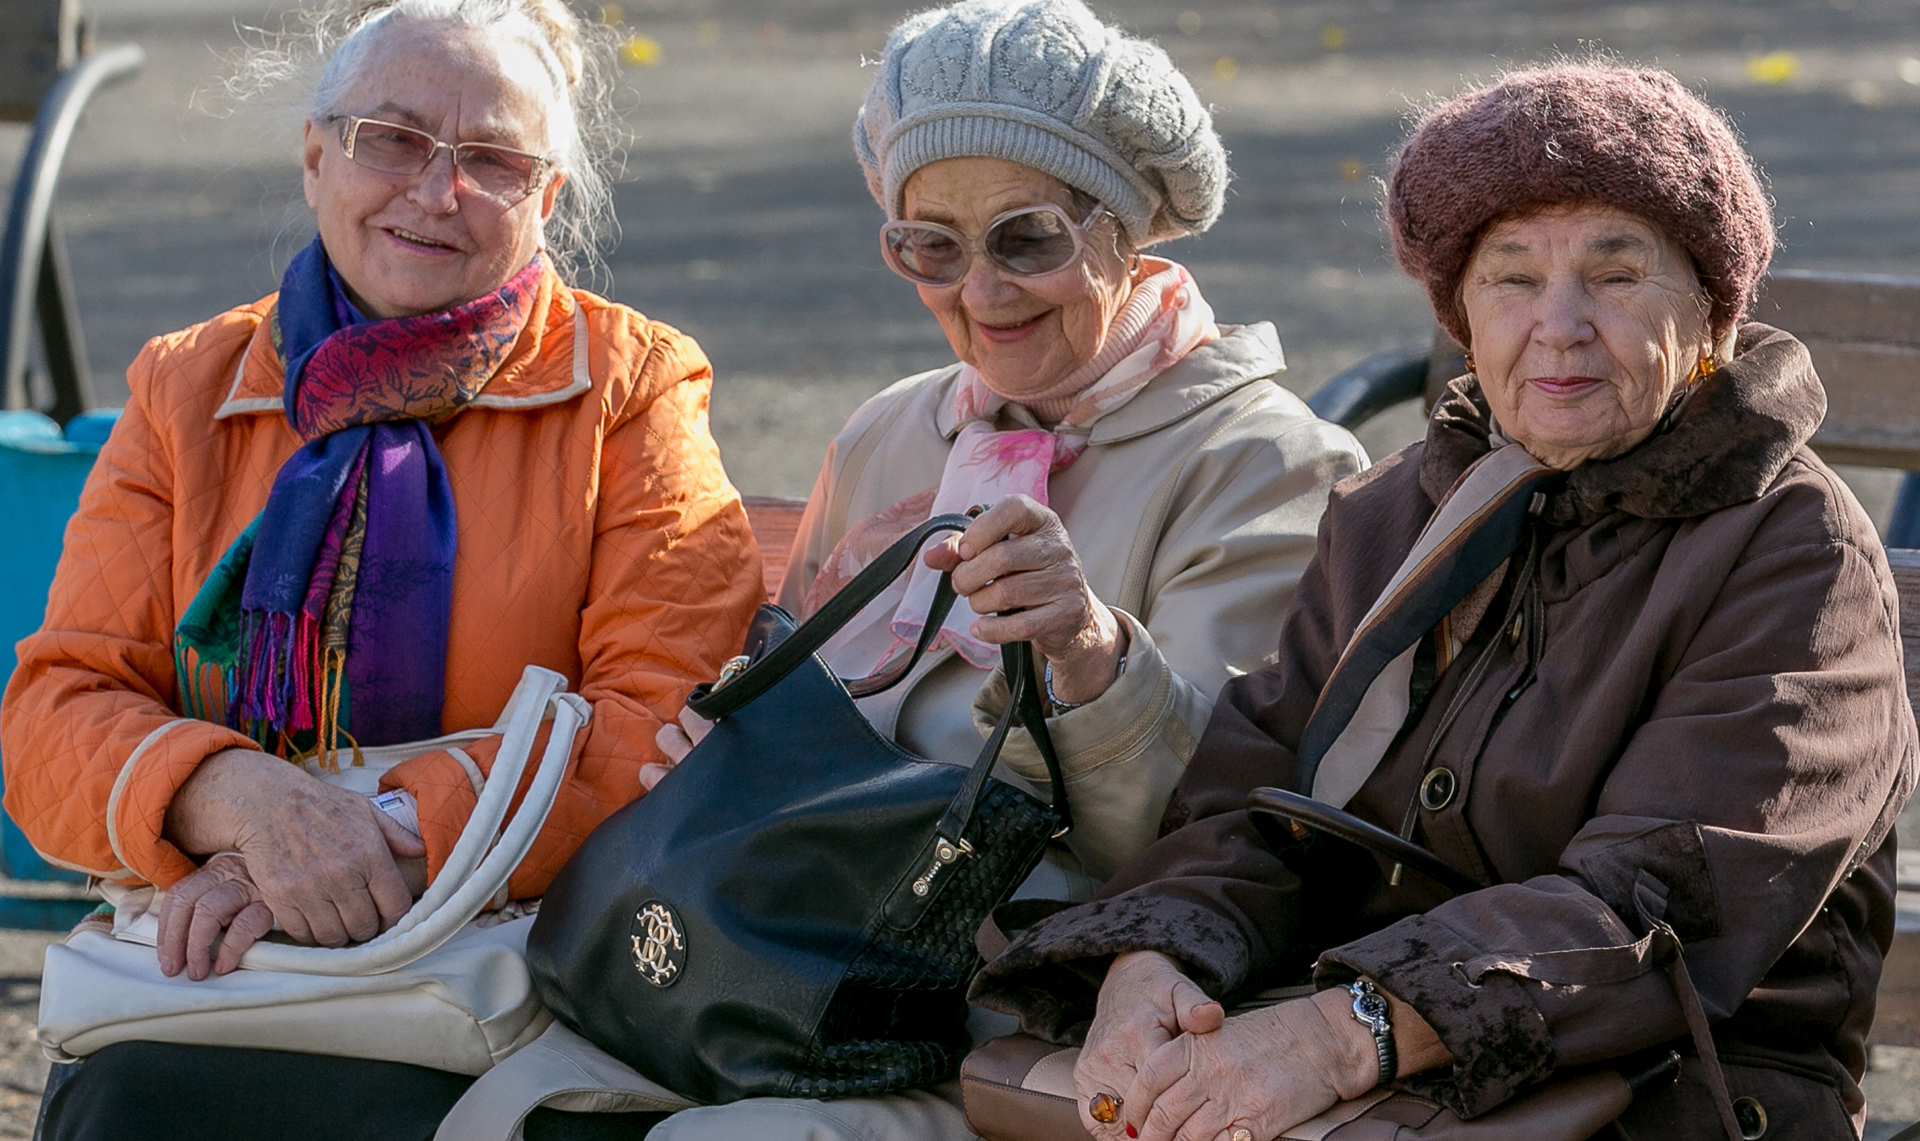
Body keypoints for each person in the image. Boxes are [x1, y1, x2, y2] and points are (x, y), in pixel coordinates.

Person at [970, 61, 1919, 1141]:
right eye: (1512, 277)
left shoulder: (1795, 551)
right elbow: (1258, 797)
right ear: (1461, 312)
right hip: (1386, 1081)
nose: (1559, 324)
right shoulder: (1396, 513)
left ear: (1711, 311)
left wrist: (1342, 1035)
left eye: (1616, 275)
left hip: (1679, 1095)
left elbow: (1657, 902)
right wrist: (1155, 958)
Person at [0, 1, 763, 1137]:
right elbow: (54, 712)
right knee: (130, 1103)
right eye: (392, 139)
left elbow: (662, 717)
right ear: (316, 158)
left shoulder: (630, 387)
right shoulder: (186, 387)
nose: (437, 189)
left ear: (547, 199)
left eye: (493, 160)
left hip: (514, 979)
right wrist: (241, 801)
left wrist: (369, 842)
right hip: (230, 979)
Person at [641, 1, 1365, 1138]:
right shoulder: (892, 431)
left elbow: (1224, 847)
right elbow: (797, 710)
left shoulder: (1269, 465)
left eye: (1029, 239)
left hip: (1021, 1027)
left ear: (1127, 233)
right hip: (787, 966)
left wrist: (1090, 655)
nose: (980, 293)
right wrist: (728, 760)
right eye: (930, 246)